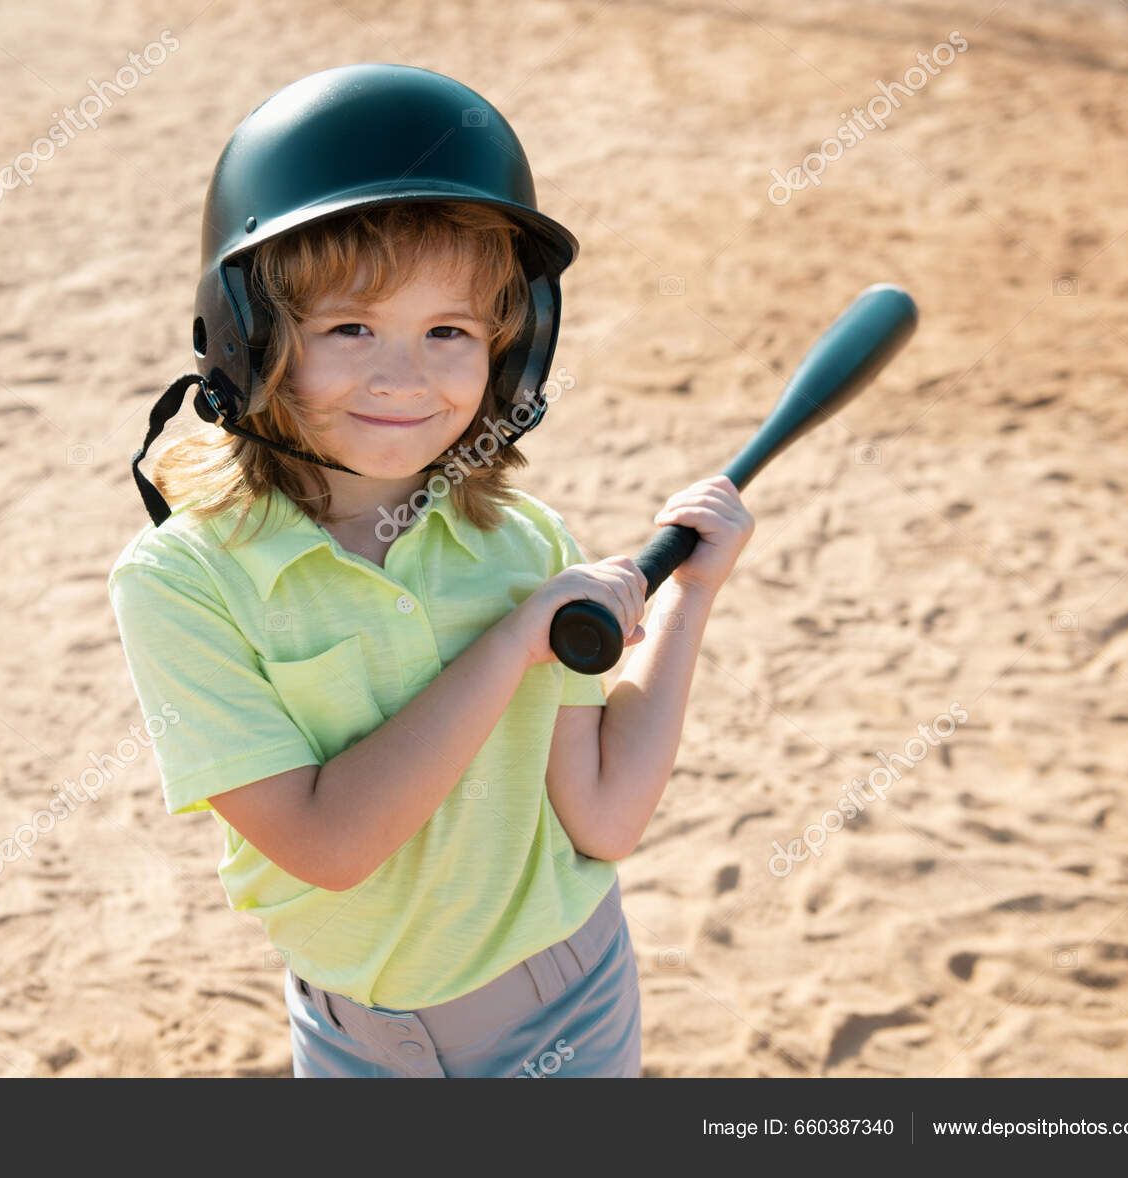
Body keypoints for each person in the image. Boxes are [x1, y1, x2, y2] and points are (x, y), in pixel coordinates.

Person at [107, 64, 753, 1078]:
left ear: (514, 349)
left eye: (449, 331)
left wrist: (691, 596)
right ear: (249, 339)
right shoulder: (182, 582)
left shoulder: (522, 543)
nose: (403, 376)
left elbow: (605, 815)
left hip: (567, 1007)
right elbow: (329, 844)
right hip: (349, 1037)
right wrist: (513, 643)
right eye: (350, 328)